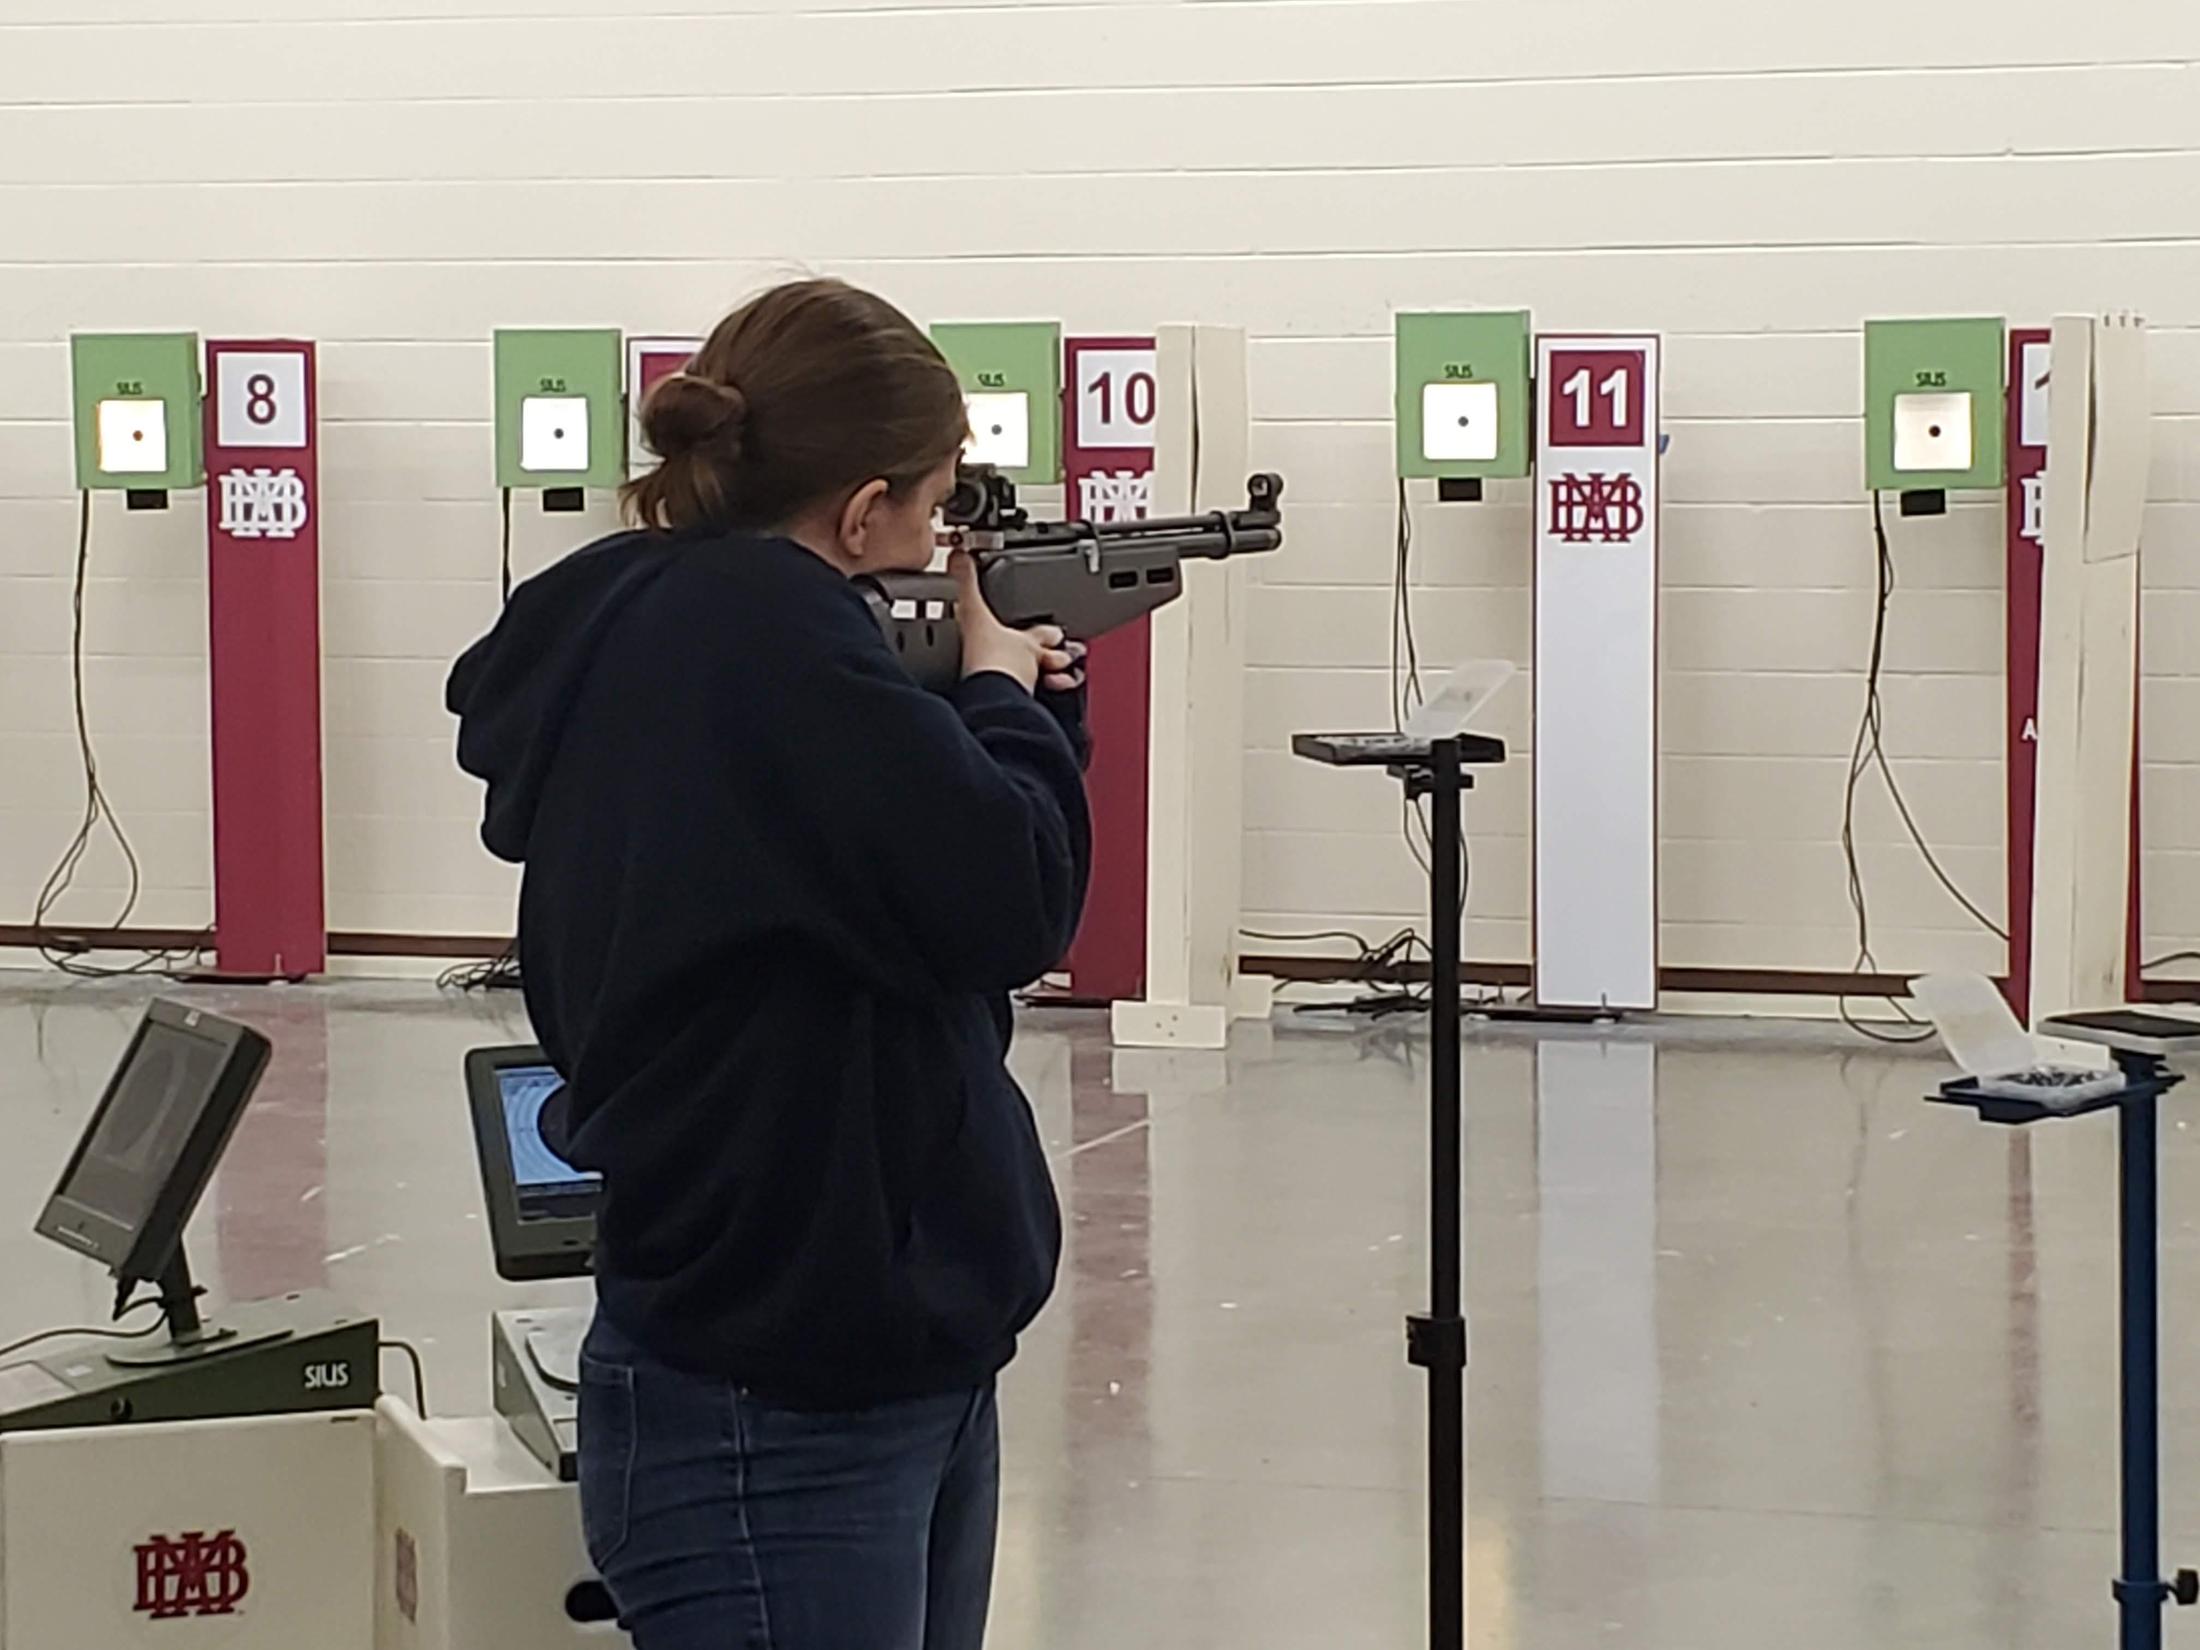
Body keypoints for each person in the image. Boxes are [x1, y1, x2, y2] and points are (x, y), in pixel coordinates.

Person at [446, 278, 1093, 1650]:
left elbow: (889, 912)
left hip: (847, 1357)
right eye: (928, 508)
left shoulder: (659, 625)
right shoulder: (771, 648)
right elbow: (1009, 895)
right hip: (785, 1401)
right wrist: (999, 697)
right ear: (861, 512)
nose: (936, 541)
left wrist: (975, 718)